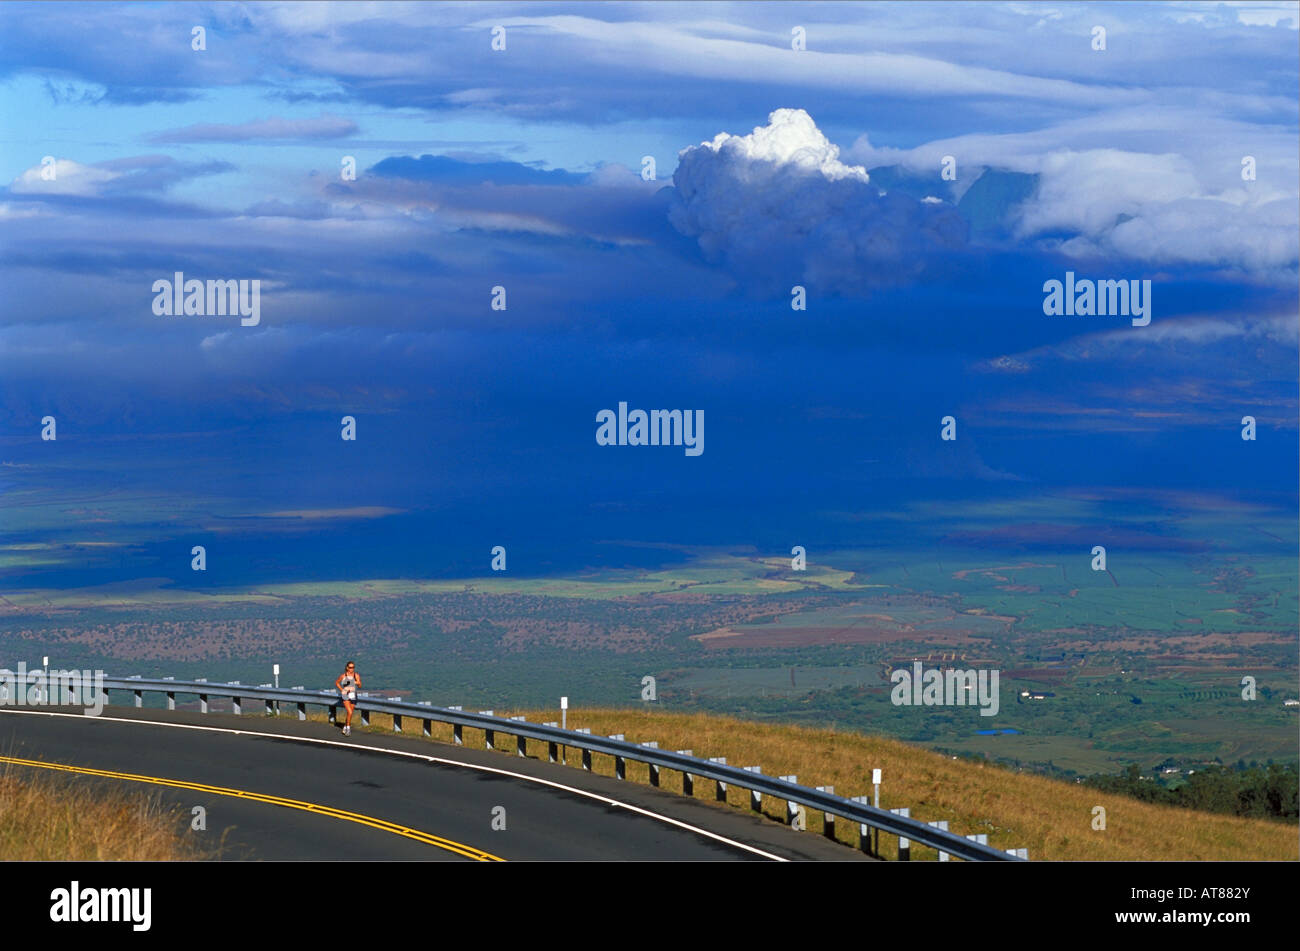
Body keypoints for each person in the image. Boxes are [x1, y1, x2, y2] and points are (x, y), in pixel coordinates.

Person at [335, 662, 361, 735]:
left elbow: (360, 686)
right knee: (349, 712)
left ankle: (345, 726)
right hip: (345, 695)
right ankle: (348, 729)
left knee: (350, 713)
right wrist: (342, 690)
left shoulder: (356, 675)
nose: (351, 669)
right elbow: (337, 683)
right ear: (347, 668)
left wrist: (358, 683)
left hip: (353, 694)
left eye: (353, 667)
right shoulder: (343, 676)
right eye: (350, 667)